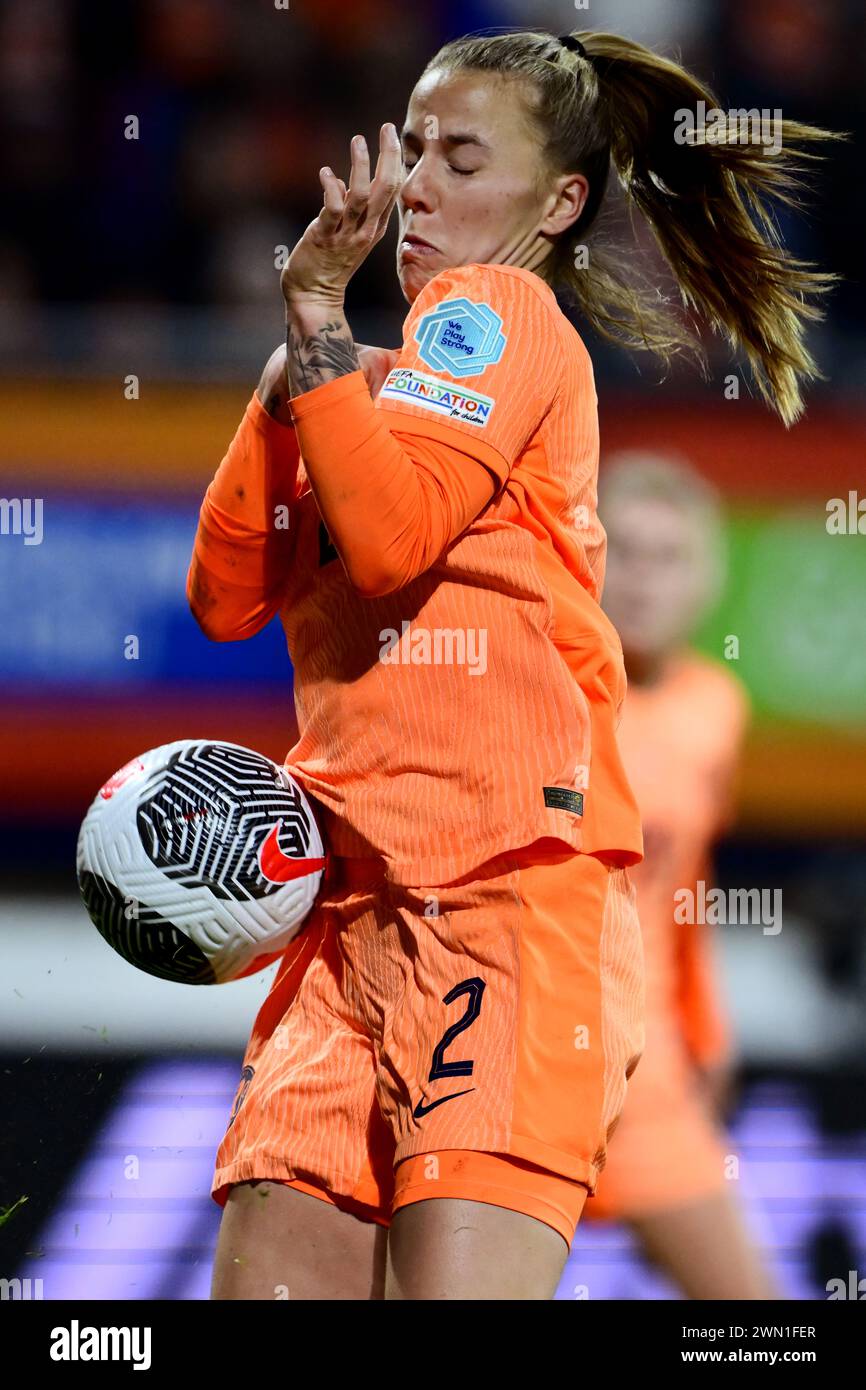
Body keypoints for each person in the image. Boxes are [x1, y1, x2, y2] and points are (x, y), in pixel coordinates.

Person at [187, 29, 834, 1300]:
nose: (414, 183)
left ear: (558, 203)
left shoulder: (502, 310)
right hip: (342, 918)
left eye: (460, 155)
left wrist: (317, 328)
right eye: (413, 144)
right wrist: (291, 384)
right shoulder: (346, 384)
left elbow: (386, 544)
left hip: (501, 912)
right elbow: (221, 599)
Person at [581, 452, 778, 1299]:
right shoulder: (544, 693)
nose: (643, 581)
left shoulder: (714, 710)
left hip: (650, 1074)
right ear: (583, 553)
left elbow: (682, 891)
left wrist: (709, 1030)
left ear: (704, 582)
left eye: (669, 558)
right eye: (624, 551)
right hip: (520, 1068)